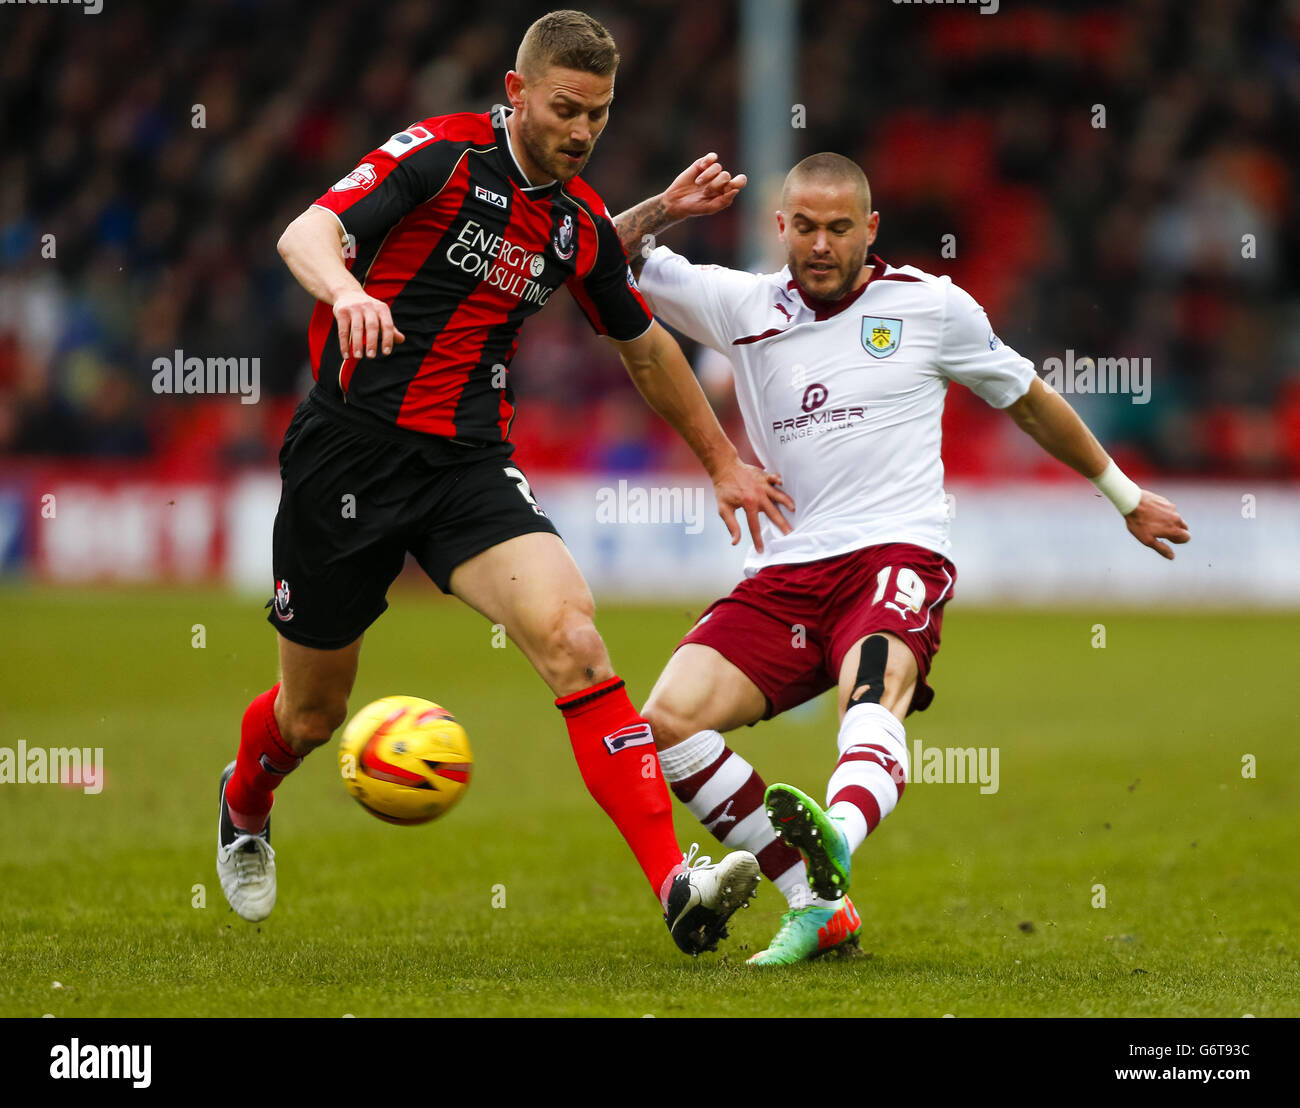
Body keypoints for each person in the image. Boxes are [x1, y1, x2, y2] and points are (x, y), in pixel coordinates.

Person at [216, 10, 794, 957]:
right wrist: (350, 291)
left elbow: (644, 346)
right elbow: (306, 234)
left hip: (467, 469)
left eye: (598, 116)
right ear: (517, 92)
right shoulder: (437, 157)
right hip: (347, 459)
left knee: (575, 640)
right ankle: (245, 802)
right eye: (565, 108)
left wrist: (723, 462)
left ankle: (675, 885)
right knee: (312, 713)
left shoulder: (574, 217)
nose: (581, 130)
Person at [613, 151, 1191, 964]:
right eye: (804, 227)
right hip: (784, 576)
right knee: (667, 723)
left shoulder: (931, 307)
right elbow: (598, 251)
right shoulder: (740, 304)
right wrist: (666, 208)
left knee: (871, 693)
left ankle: (837, 836)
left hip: (896, 552)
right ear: (780, 227)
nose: (820, 245)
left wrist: (1126, 497)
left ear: (870, 229)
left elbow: (1027, 400)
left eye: (839, 228)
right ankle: (820, 906)